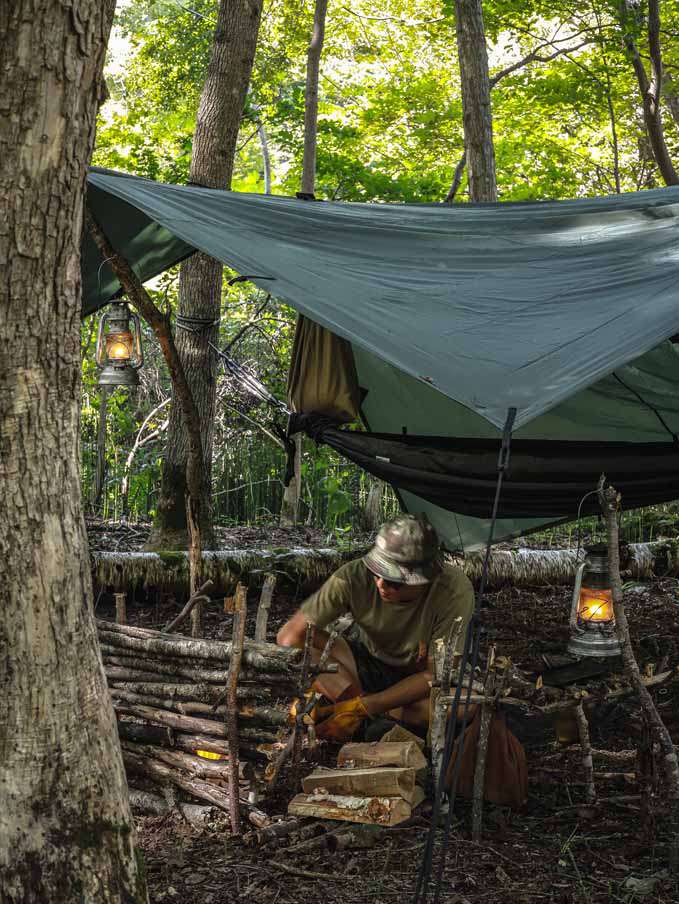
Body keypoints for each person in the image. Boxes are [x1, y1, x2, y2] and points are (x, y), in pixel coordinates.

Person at [277, 513, 474, 741]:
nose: (381, 584)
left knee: (463, 709)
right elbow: (289, 636)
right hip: (365, 663)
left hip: (417, 681)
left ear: (426, 579)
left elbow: (434, 674)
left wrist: (366, 706)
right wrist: (351, 698)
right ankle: (364, 714)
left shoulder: (454, 591)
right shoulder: (353, 577)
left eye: (393, 581)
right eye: (376, 572)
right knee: (302, 646)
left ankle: (370, 715)